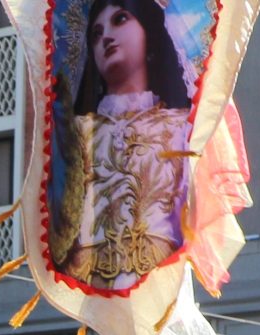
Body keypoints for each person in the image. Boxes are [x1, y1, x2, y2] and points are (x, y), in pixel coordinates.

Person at [51, 0, 195, 289]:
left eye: (119, 19)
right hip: (94, 279)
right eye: (96, 32)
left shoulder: (182, 126)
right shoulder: (79, 134)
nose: (105, 36)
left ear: (149, 32)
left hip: (160, 278)